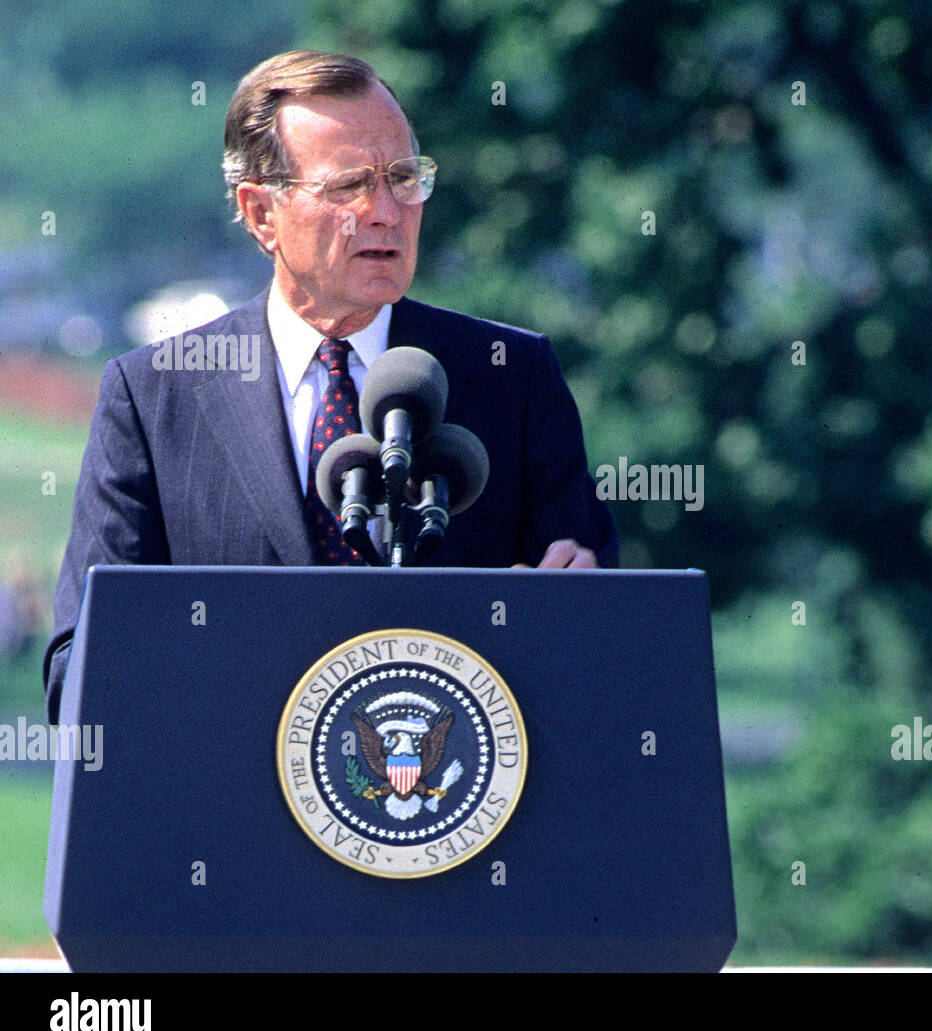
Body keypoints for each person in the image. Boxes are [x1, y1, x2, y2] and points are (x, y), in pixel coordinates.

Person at [43, 50, 616, 722]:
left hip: (452, 798)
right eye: (348, 186)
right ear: (261, 214)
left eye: (404, 178)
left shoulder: (513, 377)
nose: (385, 211)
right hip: (235, 814)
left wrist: (579, 606)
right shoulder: (154, 399)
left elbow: (597, 635)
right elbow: (75, 673)